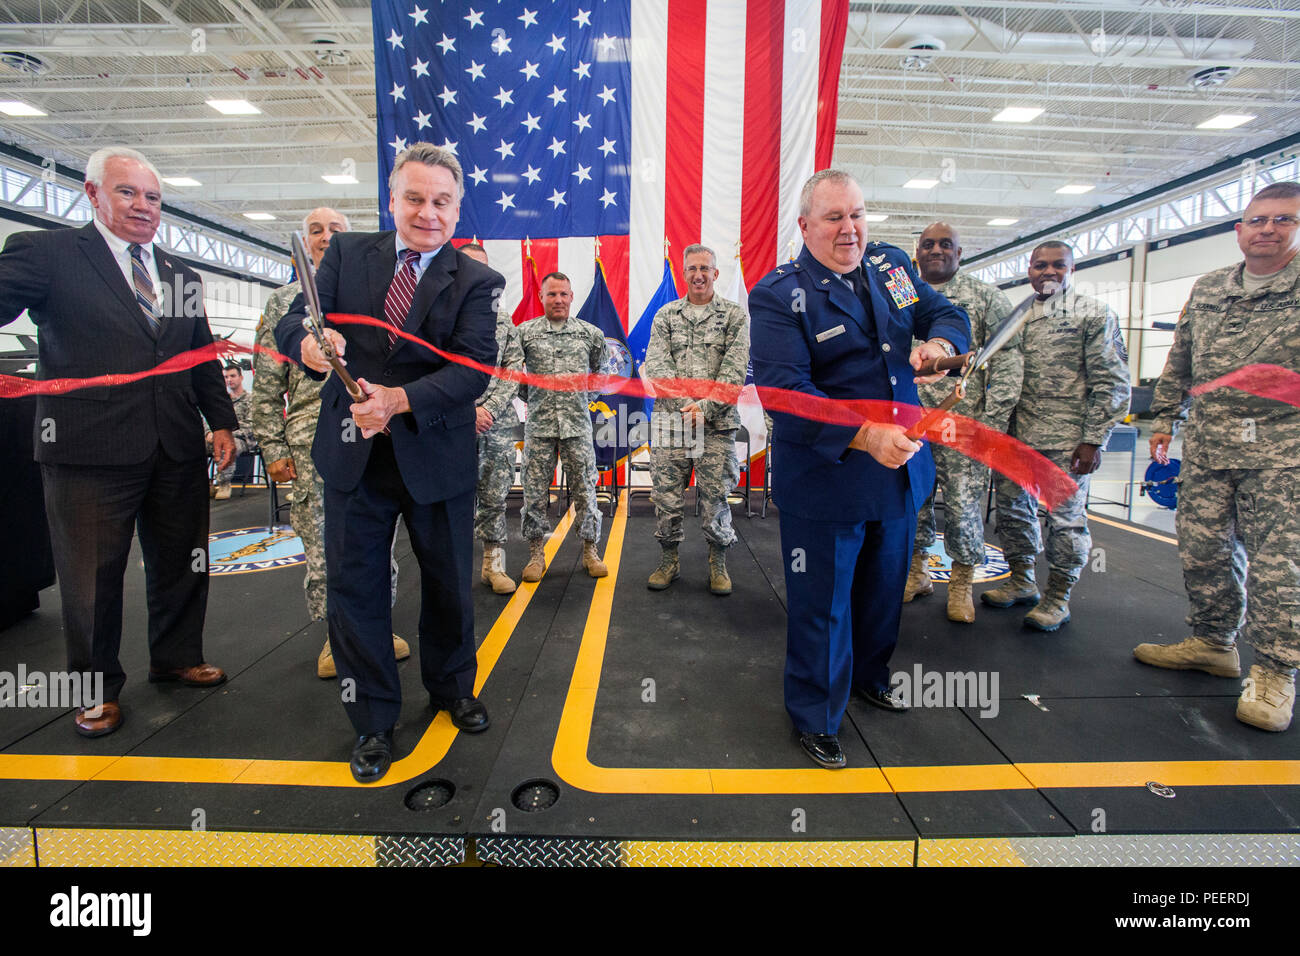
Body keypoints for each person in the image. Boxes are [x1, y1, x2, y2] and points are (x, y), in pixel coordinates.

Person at [275, 143, 501, 783]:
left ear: (457, 208)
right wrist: (314, 351)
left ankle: (453, 689)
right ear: (393, 199)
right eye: (415, 199)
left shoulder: (478, 281)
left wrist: (399, 399)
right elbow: (296, 323)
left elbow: (472, 369)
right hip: (354, 460)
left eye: (441, 202)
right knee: (355, 593)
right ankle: (371, 719)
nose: (427, 213)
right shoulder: (345, 256)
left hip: (436, 456)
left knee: (451, 584)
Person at [0, 146, 233, 737]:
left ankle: (177, 656)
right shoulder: (47, 255)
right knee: (91, 579)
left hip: (176, 445)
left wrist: (221, 422)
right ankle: (93, 689)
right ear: (92, 194)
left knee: (183, 562)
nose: (142, 206)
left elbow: (201, 357)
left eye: (152, 197)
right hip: (86, 450)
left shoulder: (180, 276)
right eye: (127, 192)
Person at [749, 169, 969, 770]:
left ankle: (871, 675)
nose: (850, 229)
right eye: (834, 218)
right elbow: (786, 390)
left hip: (899, 471)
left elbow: (944, 311)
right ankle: (817, 714)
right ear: (804, 226)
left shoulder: (891, 267)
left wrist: (937, 348)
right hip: (827, 476)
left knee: (879, 594)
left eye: (858, 214)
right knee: (824, 603)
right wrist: (864, 434)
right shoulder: (778, 294)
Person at [1134, 181, 1300, 732]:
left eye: (1283, 220)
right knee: (1202, 550)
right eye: (1258, 220)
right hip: (1208, 445)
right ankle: (1212, 642)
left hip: (1284, 453)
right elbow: (1180, 359)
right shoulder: (1209, 289)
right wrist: (1164, 418)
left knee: (1279, 569)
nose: (1268, 230)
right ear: (1239, 230)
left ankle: (1276, 673)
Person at [249, 207, 409, 678]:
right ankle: (333, 634)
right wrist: (272, 446)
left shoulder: (371, 291)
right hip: (307, 439)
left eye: (335, 230)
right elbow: (266, 380)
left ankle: (378, 625)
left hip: (366, 433)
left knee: (377, 541)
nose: (325, 238)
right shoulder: (285, 302)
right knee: (323, 544)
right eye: (315, 231)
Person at [980, 241, 1130, 631]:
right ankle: (1021, 579)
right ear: (1029, 270)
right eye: (1039, 265)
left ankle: (1058, 595)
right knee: (1012, 513)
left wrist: (1095, 438)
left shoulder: (1093, 314)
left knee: (1064, 522)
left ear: (1072, 269)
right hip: (1014, 436)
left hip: (1066, 440)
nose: (1048, 272)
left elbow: (1112, 382)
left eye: (1057, 266)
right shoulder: (1016, 315)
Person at [904, 222, 1022, 622]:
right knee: (914, 502)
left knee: (963, 506)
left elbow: (1006, 362)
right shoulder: (901, 297)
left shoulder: (986, 299)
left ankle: (960, 584)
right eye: (928, 245)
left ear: (960, 252)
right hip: (912, 424)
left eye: (946, 244)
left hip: (964, 425)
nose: (936, 250)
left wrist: (991, 424)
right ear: (916, 253)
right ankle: (917, 572)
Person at [641, 244, 750, 595]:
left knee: (715, 495)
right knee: (666, 496)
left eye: (705, 268)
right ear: (683, 273)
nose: (698, 274)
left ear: (716, 273)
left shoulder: (735, 316)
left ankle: (717, 562)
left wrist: (706, 409)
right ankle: (669, 559)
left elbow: (734, 372)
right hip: (671, 422)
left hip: (716, 424)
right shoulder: (666, 316)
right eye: (692, 268)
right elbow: (658, 367)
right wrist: (689, 405)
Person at [506, 273, 610, 583]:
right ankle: (536, 553)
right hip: (539, 427)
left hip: (577, 426)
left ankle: (590, 551)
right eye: (552, 294)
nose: (558, 300)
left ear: (572, 296)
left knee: (586, 491)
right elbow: (515, 376)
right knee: (535, 493)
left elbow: (601, 374)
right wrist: (535, 397)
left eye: (563, 294)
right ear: (541, 297)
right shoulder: (524, 333)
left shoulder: (590, 334)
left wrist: (580, 398)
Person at [459, 242, 524, 595]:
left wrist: (487, 410)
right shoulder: (437, 318)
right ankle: (451, 573)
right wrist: (467, 411)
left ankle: (493, 564)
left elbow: (512, 372)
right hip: (451, 423)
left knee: (495, 495)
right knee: (451, 499)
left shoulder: (503, 322)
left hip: (494, 423)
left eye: (481, 268)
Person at [205, 362, 259, 499]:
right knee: (188, 445)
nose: (229, 380)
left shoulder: (252, 399)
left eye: (233, 376)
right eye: (226, 377)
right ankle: (204, 485)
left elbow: (251, 425)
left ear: (241, 377)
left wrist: (224, 433)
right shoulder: (221, 401)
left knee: (227, 444)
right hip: (214, 437)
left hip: (243, 439)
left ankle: (224, 484)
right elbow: (206, 419)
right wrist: (208, 433)